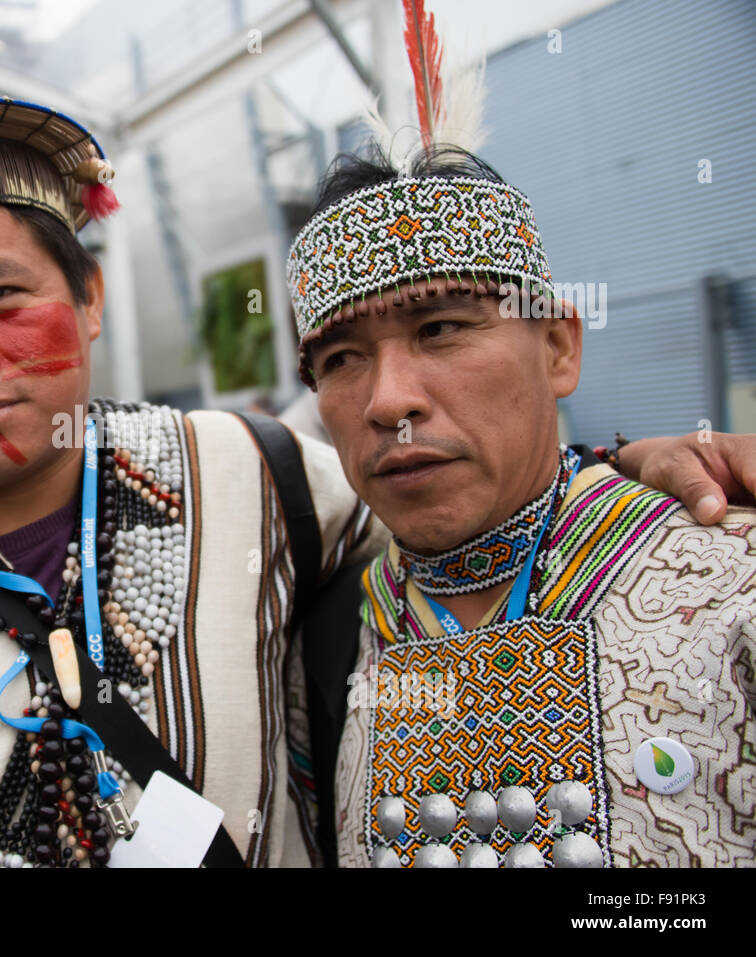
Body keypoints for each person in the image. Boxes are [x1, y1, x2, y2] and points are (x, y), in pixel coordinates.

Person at [0, 52, 752, 869]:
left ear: (87, 301)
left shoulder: (262, 479)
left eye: (1, 296)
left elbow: (478, 500)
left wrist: (633, 467)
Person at [289, 131, 756, 861]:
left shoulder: (733, 585)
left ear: (559, 347)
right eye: (341, 357)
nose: (388, 400)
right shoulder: (328, 645)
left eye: (440, 327)